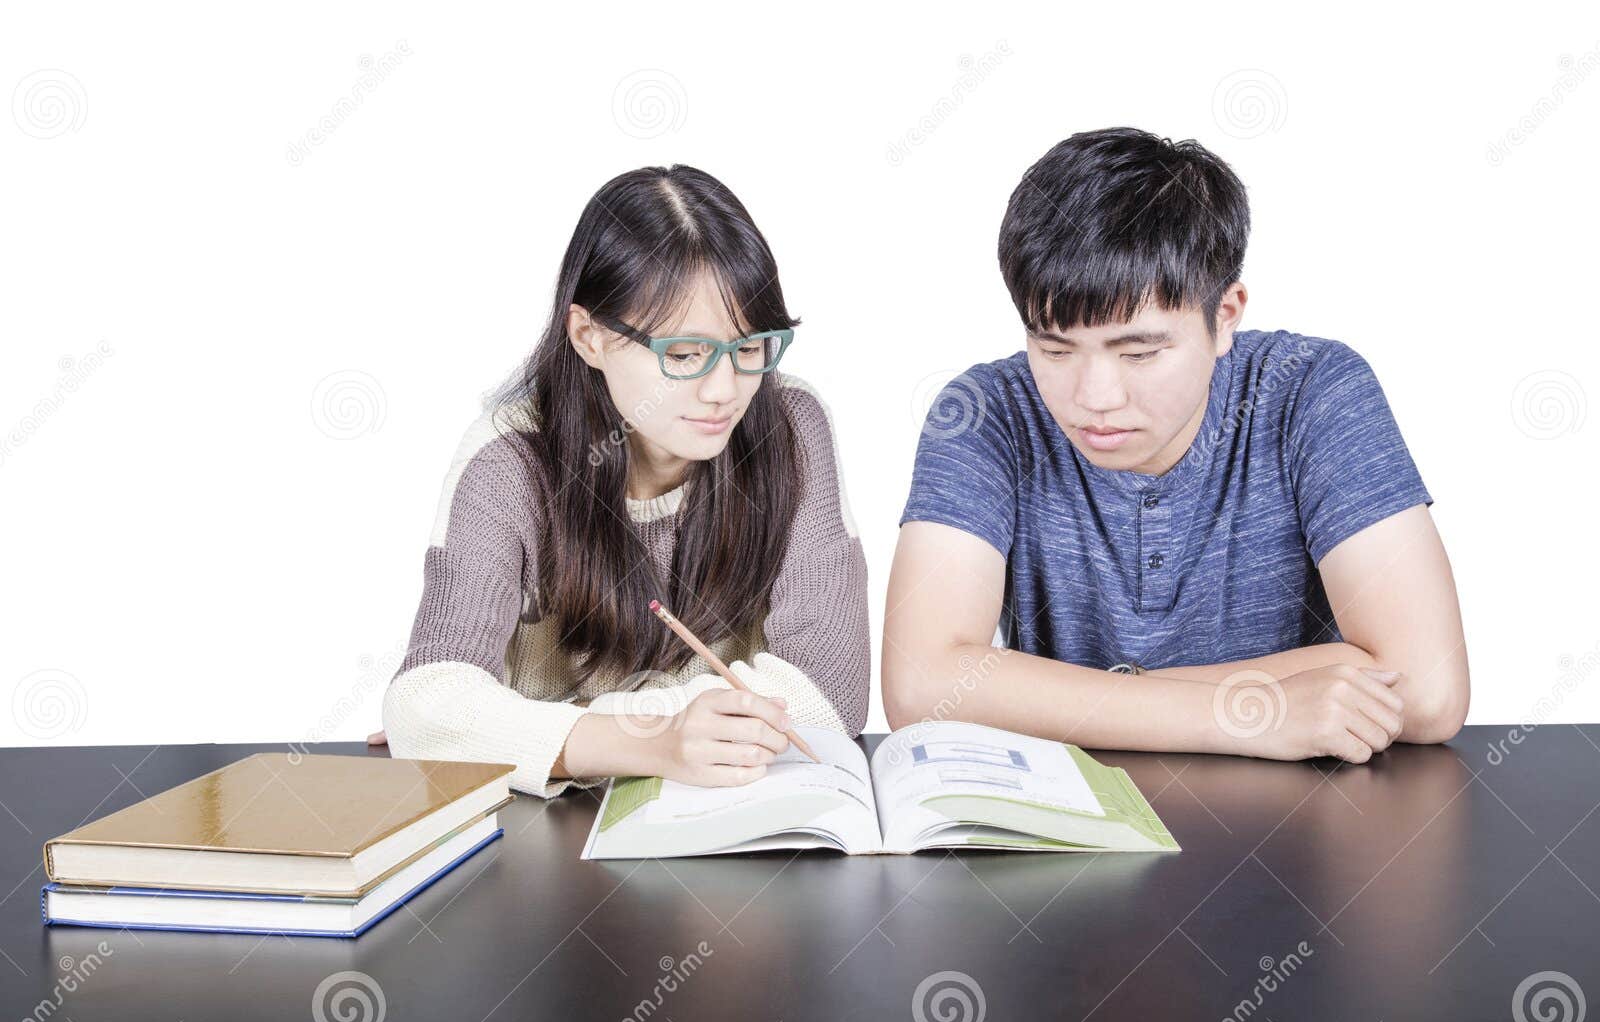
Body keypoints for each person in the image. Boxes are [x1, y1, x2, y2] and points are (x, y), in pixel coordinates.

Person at [885, 127, 1468, 764]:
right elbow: (920, 687)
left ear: (1225, 316)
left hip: (1305, 827)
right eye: (1054, 349)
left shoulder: (1313, 390)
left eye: (1139, 353)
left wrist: (1042, 695)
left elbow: (1428, 688)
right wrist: (1251, 711)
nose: (1094, 396)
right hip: (1079, 822)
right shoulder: (987, 413)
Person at [376, 165, 868, 796]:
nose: (724, 391)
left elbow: (832, 685)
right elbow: (428, 704)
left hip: (727, 819)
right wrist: (653, 742)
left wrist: (522, 731)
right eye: (685, 355)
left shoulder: (790, 425)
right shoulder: (509, 461)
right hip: (553, 855)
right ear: (589, 337)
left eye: (750, 348)